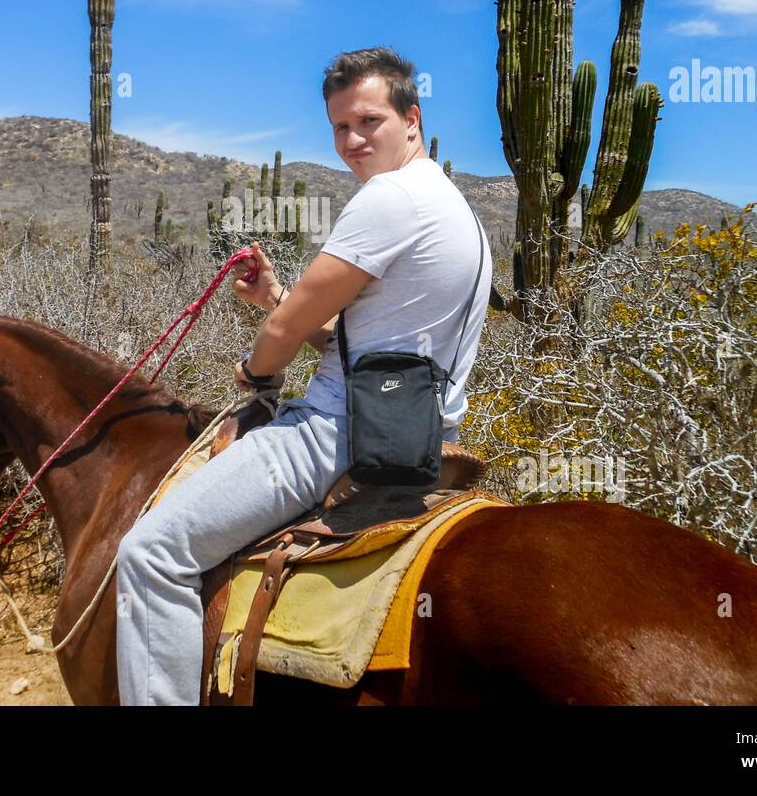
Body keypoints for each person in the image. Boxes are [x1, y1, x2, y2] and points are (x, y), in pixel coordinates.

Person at [114, 46, 492, 705]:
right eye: (339, 127)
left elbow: (284, 338)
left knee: (150, 554)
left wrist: (254, 371)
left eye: (367, 121)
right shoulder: (453, 208)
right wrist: (278, 294)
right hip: (419, 431)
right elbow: (366, 350)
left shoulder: (391, 199)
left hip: (334, 435)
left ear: (412, 117)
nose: (351, 140)